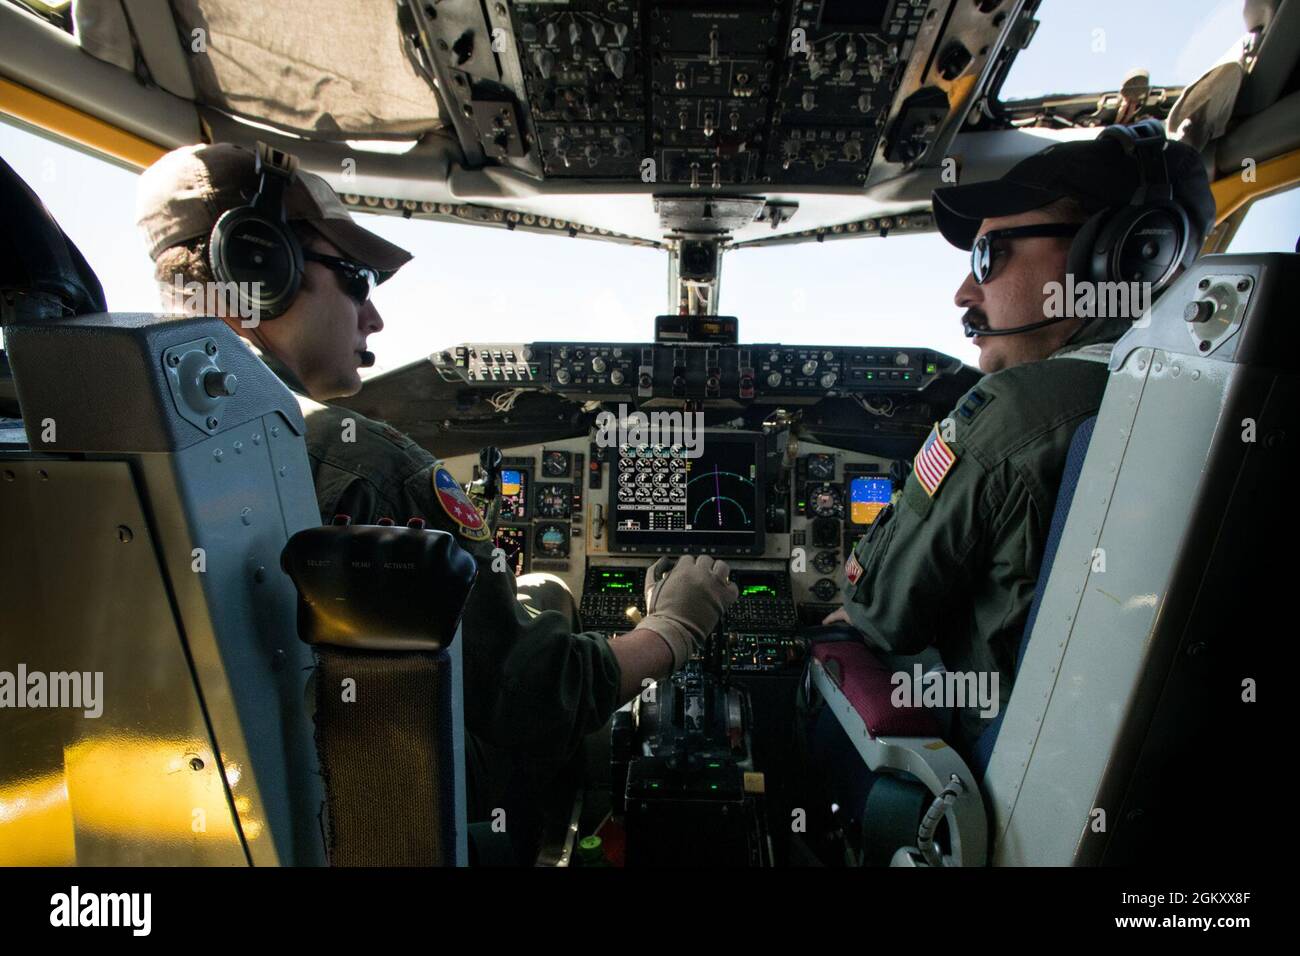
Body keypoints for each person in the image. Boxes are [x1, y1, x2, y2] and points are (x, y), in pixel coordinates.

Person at [135, 142, 738, 859]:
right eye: (356, 280)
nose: (375, 319)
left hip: (200, 820)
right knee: (550, 622)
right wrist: (673, 628)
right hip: (367, 815)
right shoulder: (363, 461)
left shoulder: (106, 437)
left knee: (543, 591)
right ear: (260, 267)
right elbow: (531, 693)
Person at [819, 126, 1215, 759]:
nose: (964, 293)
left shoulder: (1012, 411)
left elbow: (881, 606)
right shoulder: (1216, 402)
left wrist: (852, 609)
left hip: (1002, 775)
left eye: (987, 257)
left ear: (1120, 255)